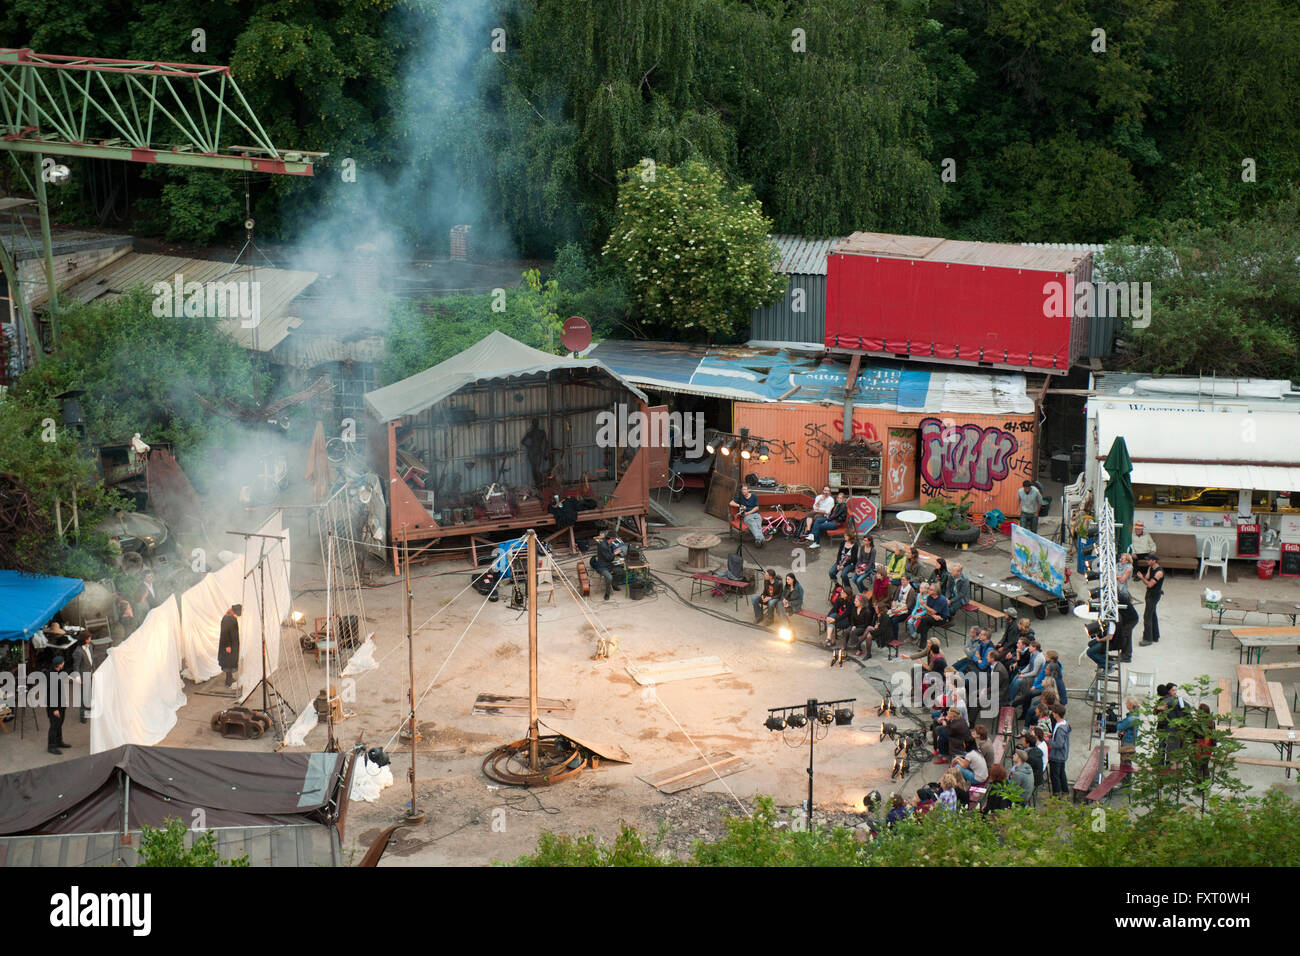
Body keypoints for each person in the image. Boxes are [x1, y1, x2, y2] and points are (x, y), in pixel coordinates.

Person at [46, 654, 71, 756]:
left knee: (59, 724)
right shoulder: (51, 676)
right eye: (63, 662)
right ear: (59, 665)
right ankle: (51, 746)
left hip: (61, 704)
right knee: (54, 726)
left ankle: (59, 741)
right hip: (54, 706)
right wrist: (54, 709)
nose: (64, 663)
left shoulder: (58, 671)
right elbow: (50, 694)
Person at [1137, 554, 1164, 646]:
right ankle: (1155, 636)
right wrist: (1141, 577)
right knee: (1152, 614)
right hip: (1149, 594)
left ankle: (1148, 639)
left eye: (1149, 560)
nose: (1147, 561)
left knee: (1147, 616)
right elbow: (1147, 578)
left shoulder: (1159, 572)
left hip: (1154, 595)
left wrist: (1142, 578)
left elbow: (1149, 584)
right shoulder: (1150, 568)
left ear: (1154, 561)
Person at [915, 582, 951, 646]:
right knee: (924, 626)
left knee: (924, 620)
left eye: (931, 590)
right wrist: (933, 615)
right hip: (932, 617)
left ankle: (917, 633)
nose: (928, 590)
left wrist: (923, 605)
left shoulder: (941, 599)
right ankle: (922, 646)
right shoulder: (929, 597)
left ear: (935, 592)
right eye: (929, 589)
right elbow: (928, 611)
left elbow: (933, 611)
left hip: (942, 618)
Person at [72, 632, 95, 723]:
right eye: (89, 638)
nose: (90, 639)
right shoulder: (78, 652)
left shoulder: (90, 646)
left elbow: (92, 660)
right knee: (84, 696)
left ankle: (88, 710)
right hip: (83, 676)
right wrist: (78, 677)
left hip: (90, 673)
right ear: (85, 640)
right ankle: (83, 716)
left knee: (89, 693)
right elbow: (76, 665)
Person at [845, 593, 877, 658]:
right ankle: (844, 646)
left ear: (861, 603)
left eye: (856, 601)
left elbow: (867, 624)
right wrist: (853, 625)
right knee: (847, 631)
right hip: (855, 626)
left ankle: (858, 649)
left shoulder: (867, 611)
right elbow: (852, 619)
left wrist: (856, 627)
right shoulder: (854, 608)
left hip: (863, 627)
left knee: (854, 632)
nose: (854, 602)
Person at [1048, 703, 1071, 795]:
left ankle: (1056, 795)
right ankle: (1065, 791)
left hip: (1057, 755)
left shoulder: (1060, 729)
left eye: (1053, 712)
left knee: (1055, 776)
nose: (1052, 713)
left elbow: (1059, 744)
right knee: (1061, 773)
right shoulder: (1064, 724)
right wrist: (1052, 736)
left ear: (1057, 714)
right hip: (1062, 755)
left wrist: (1048, 740)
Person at [521, 418, 550, 488]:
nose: (535, 424)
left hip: (537, 452)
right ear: (533, 424)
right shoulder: (531, 433)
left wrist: (545, 453)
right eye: (534, 423)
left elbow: (546, 443)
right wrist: (529, 446)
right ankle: (538, 484)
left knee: (536, 469)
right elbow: (523, 441)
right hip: (533, 452)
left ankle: (540, 482)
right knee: (534, 469)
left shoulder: (541, 432)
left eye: (536, 423)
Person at [592, 530, 621, 601]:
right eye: (614, 539)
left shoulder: (609, 543)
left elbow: (609, 554)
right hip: (602, 566)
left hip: (609, 565)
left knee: (621, 572)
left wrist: (614, 552)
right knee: (609, 577)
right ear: (611, 538)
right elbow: (609, 558)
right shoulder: (603, 545)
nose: (614, 540)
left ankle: (614, 584)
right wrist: (615, 553)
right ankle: (607, 593)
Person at [219, 604, 242, 687]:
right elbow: (225, 633)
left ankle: (230, 678)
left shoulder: (231, 618)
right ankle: (228, 681)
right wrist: (227, 645)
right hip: (228, 644)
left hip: (232, 644)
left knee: (230, 661)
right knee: (228, 661)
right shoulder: (227, 619)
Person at [1117, 696, 1140, 765]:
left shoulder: (1131, 718)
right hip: (1131, 739)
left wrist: (1118, 723)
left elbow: (1120, 726)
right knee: (1128, 760)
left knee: (1125, 762)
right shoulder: (1136, 714)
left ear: (1131, 705)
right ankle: (1127, 775)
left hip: (1128, 740)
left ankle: (1126, 776)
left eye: (1127, 703)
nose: (1125, 704)